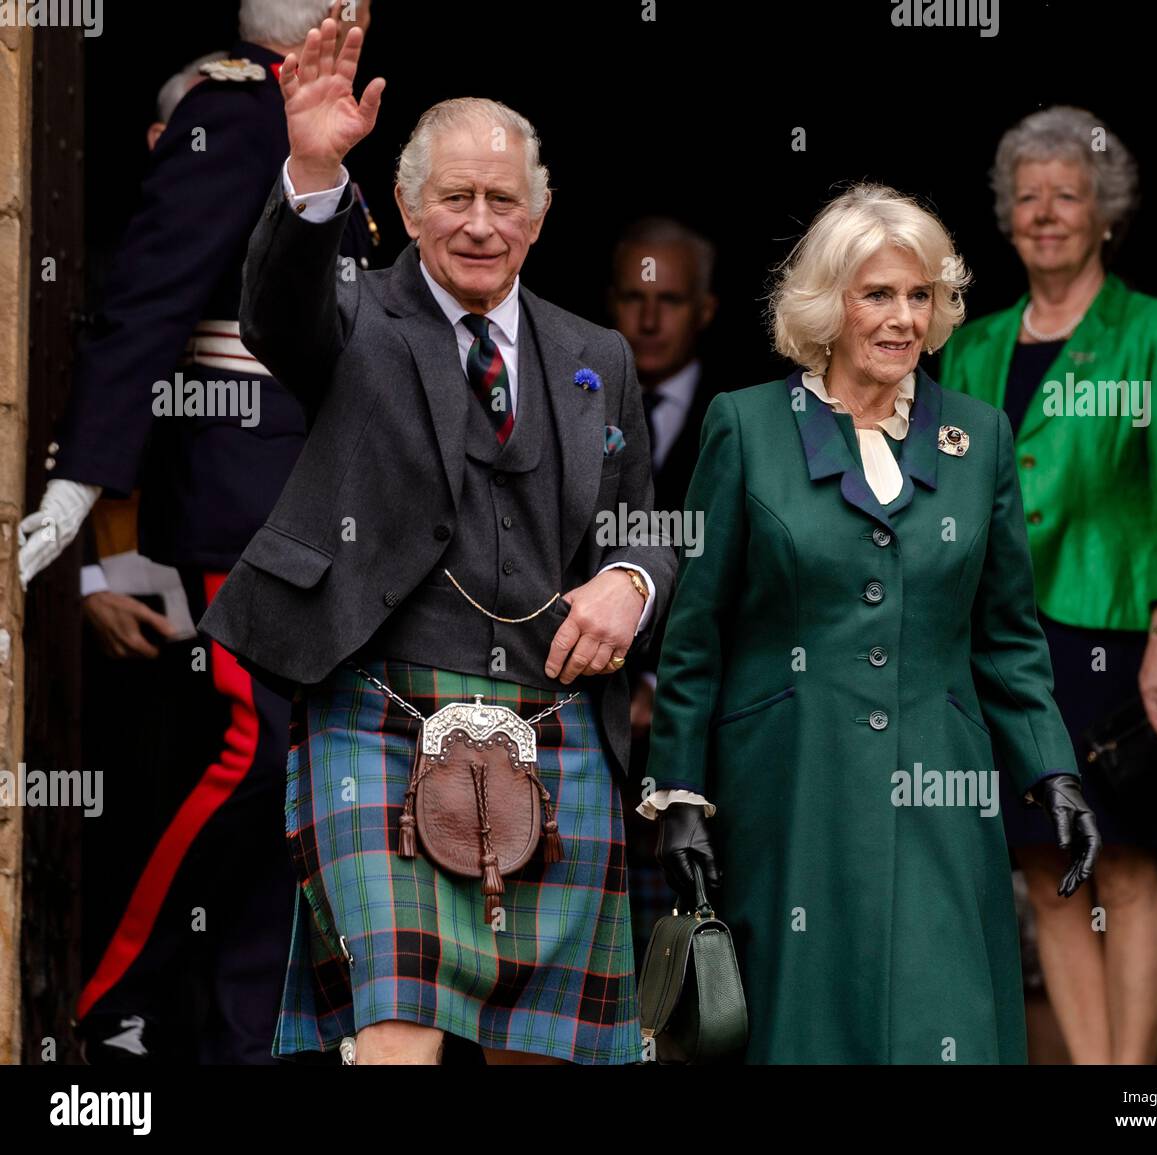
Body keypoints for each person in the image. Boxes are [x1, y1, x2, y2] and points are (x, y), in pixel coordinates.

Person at [199, 19, 676, 1066]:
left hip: (548, 717)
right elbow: (275, 312)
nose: (478, 222)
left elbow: (640, 525)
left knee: (538, 1044)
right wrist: (316, 167)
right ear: (408, 208)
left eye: (502, 199)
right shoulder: (354, 316)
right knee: (399, 1020)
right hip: (379, 710)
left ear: (540, 216)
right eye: (453, 198)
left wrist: (631, 583)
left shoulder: (593, 356)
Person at [645, 183, 1101, 1064]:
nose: (902, 318)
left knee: (948, 1013)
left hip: (942, 789)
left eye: (920, 295)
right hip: (791, 787)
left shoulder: (982, 437)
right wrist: (679, 796)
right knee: (805, 1024)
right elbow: (695, 634)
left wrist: (1052, 769)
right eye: (877, 294)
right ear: (828, 304)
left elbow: (1007, 637)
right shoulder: (746, 426)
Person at [20, 0, 381, 1064]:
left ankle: (243, 1031)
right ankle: (112, 991)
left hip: (322, 494)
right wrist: (85, 483)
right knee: (250, 753)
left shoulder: (322, 122)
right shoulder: (237, 110)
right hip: (246, 486)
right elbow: (148, 298)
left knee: (306, 774)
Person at [940, 106, 1157, 1064]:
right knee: (1045, 861)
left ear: (1108, 214)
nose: (1044, 214)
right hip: (1006, 641)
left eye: (1067, 196)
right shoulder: (969, 348)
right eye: (1027, 198)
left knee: (1130, 864)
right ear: (1006, 219)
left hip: (1115, 633)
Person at [607, 216, 719, 959]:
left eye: (670, 300)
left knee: (706, 961)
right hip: (583, 717)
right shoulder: (565, 398)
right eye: (631, 296)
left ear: (705, 309)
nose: (648, 317)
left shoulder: (740, 414)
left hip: (706, 736)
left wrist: (660, 683)